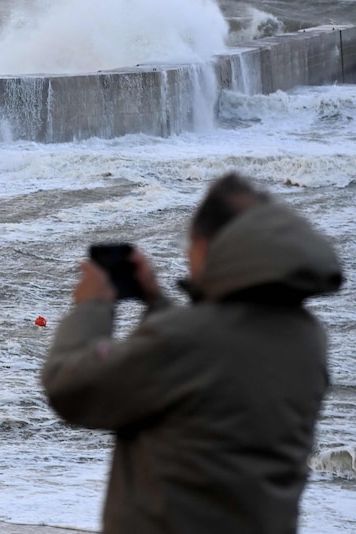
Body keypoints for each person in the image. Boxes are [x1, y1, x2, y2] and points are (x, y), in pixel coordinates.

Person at [42, 173, 344, 534]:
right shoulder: (307, 337)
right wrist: (157, 302)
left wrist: (92, 308)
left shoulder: (187, 339)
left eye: (191, 243)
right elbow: (206, 364)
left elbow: (70, 386)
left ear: (210, 246)